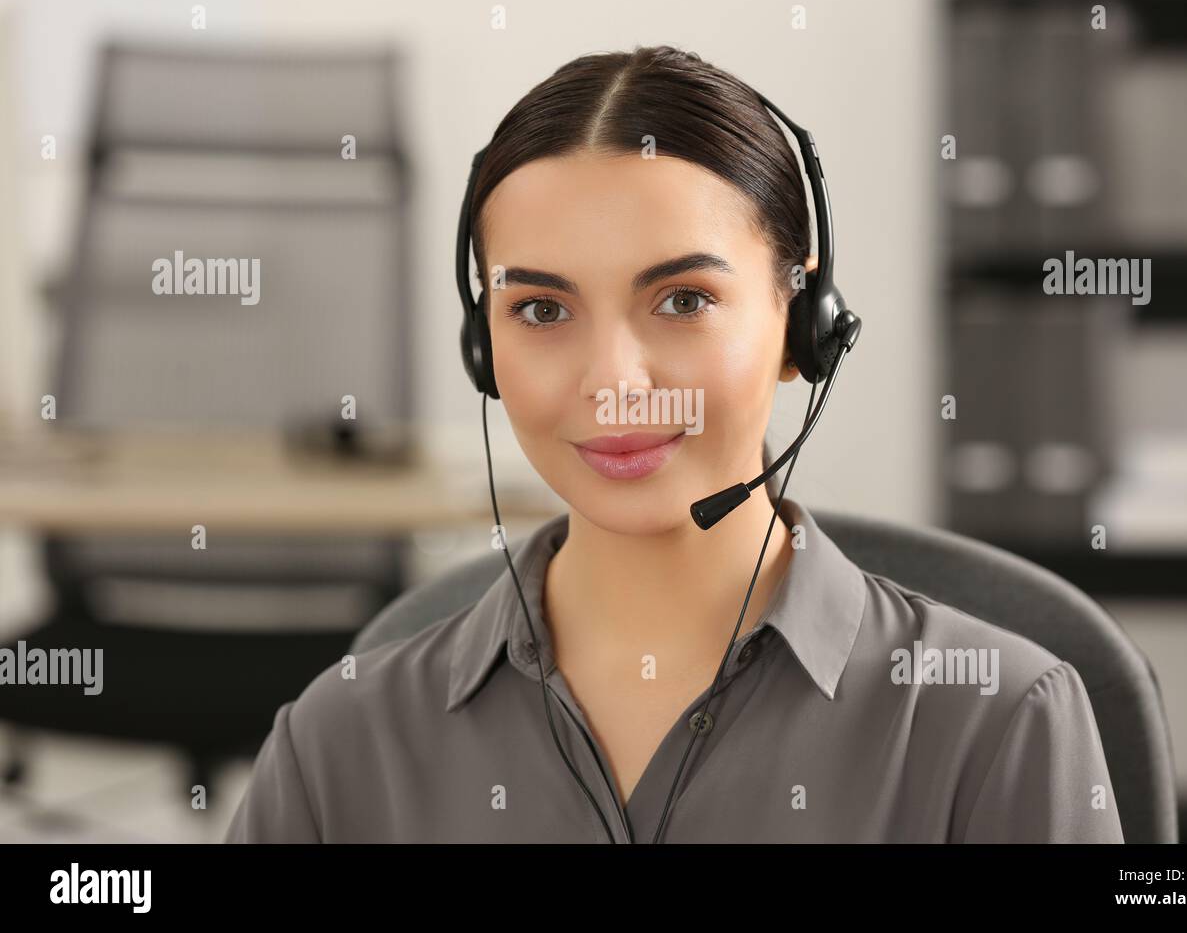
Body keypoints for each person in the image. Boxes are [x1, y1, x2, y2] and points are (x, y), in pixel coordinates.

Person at [224, 45, 1124, 843]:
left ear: (803, 329)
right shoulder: (341, 744)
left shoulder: (996, 722)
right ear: (483, 350)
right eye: (541, 309)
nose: (615, 380)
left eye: (683, 301)